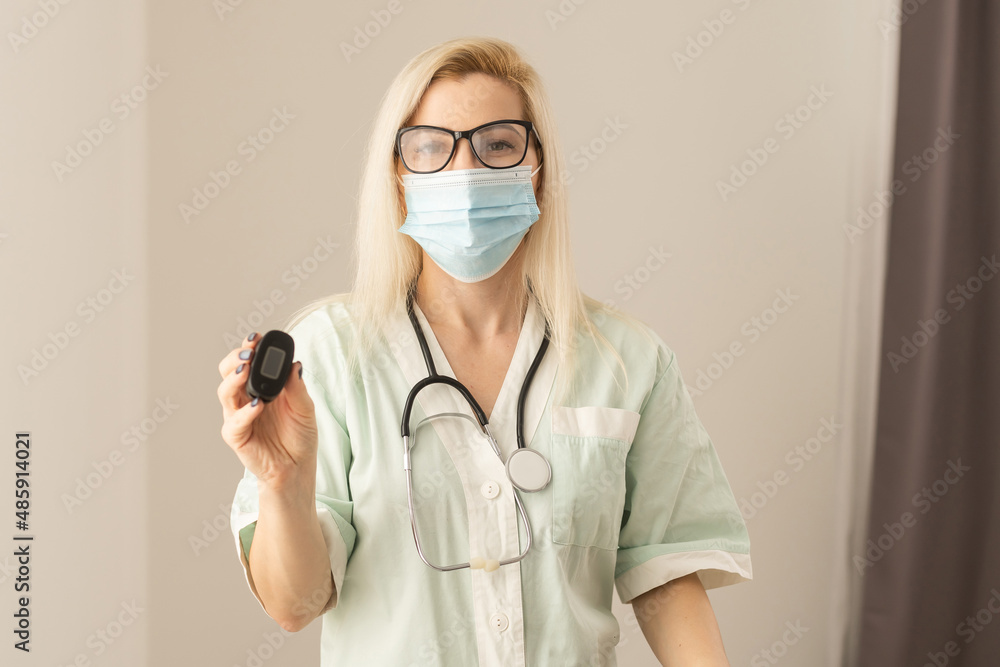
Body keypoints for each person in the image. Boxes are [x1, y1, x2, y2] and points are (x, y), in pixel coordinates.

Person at [218, 36, 751, 667]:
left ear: (539, 168)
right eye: (431, 147)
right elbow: (296, 603)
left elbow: (666, 577)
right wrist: (282, 481)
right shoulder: (331, 355)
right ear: (398, 174)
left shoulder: (628, 361)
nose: (466, 171)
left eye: (498, 144)